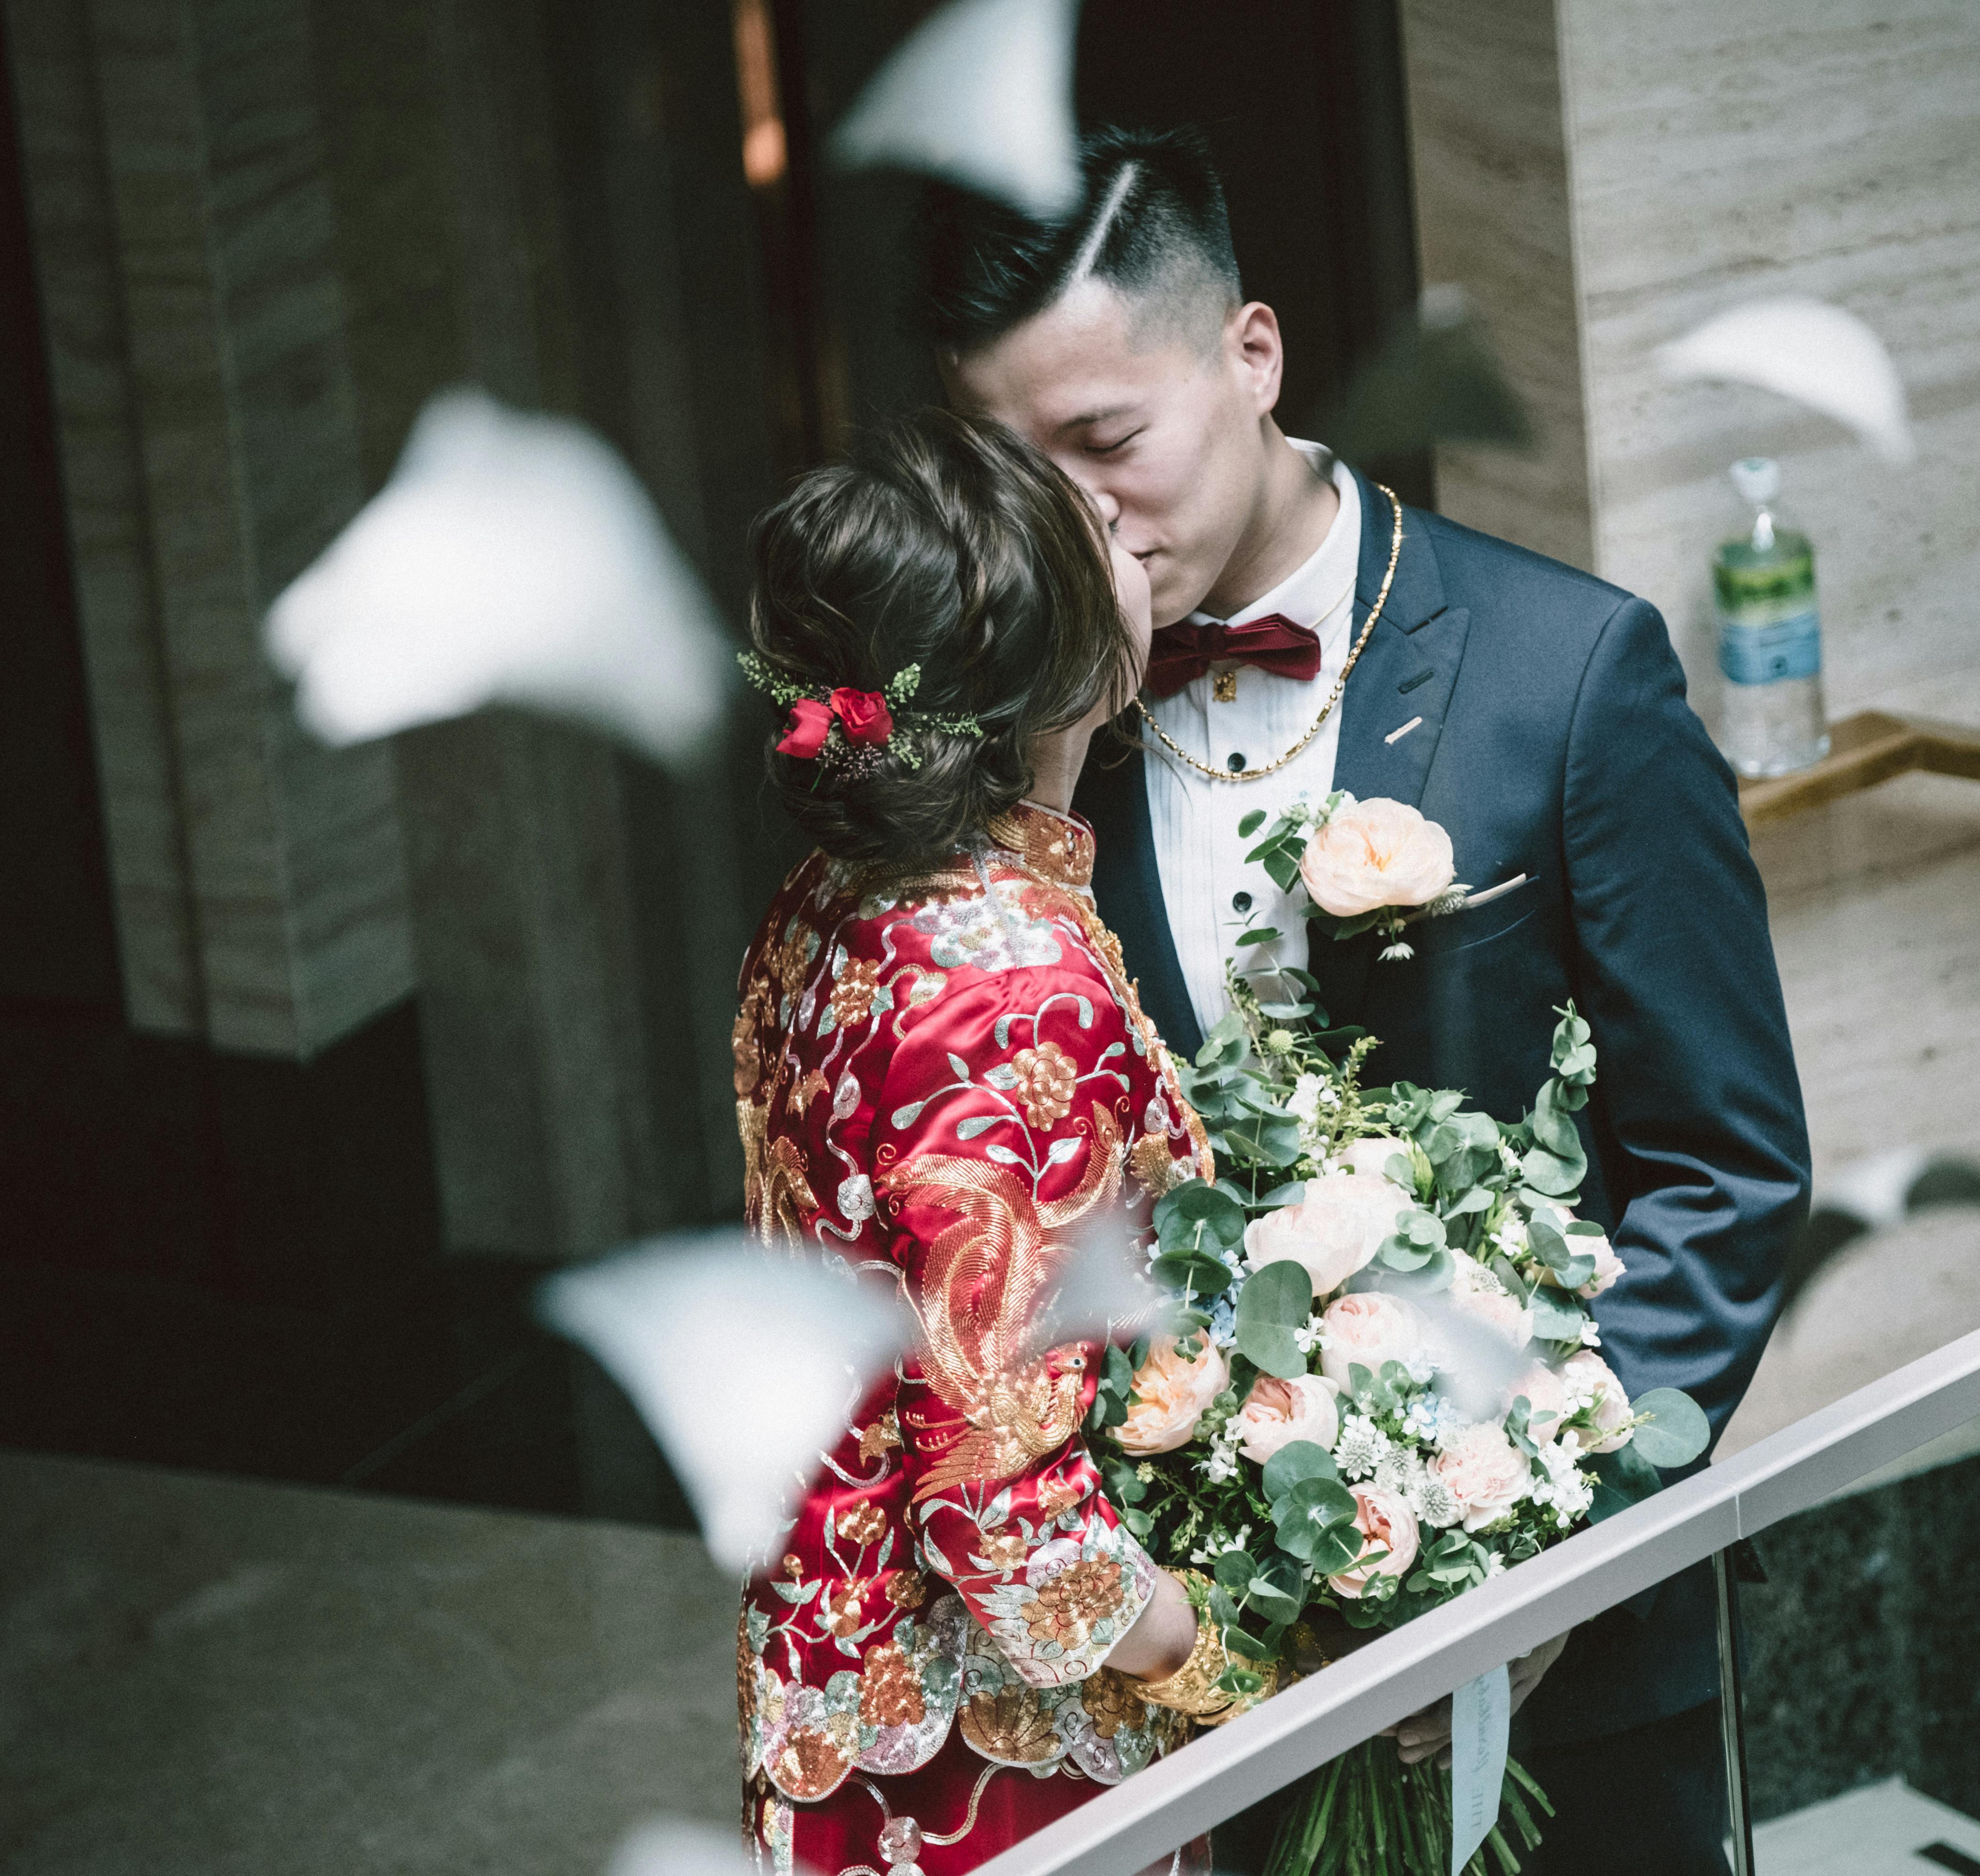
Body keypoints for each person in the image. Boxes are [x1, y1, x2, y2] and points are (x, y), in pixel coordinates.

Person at [921, 128, 1812, 1874]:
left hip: (1573, 1655)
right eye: (1015, 470)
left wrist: (1543, 1550)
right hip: (1198, 1681)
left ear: (1251, 356)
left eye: (1109, 446)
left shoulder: (1570, 675)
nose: (1075, 524)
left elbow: (1724, 1170)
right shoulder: (1009, 739)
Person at [729, 410, 1256, 1876]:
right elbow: (1004, 1521)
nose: (1128, 526)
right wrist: (1223, 1658)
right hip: (993, 1763)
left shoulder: (835, 895)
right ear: (1072, 664)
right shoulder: (1010, 991)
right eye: (1091, 525)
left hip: (837, 1669)